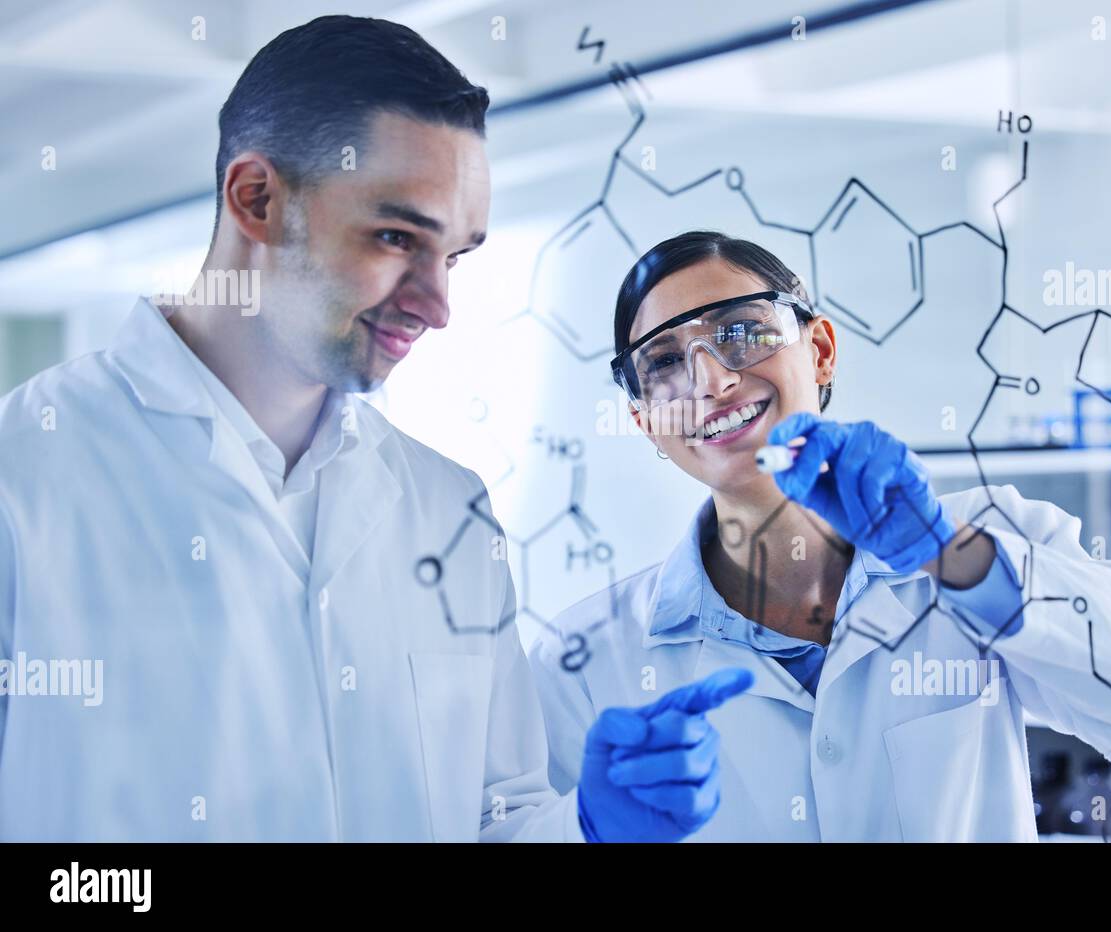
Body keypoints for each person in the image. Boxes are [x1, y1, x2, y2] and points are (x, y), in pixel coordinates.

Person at [0, 16, 750, 843]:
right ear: (256, 199)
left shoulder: (449, 510)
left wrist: (588, 824)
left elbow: (495, 817)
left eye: (456, 255)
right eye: (397, 237)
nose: (437, 306)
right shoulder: (26, 472)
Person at [528, 230, 1111, 842]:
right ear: (646, 422)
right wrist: (587, 826)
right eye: (662, 363)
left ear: (819, 351)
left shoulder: (985, 542)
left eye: (740, 331)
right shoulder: (584, 657)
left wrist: (955, 560)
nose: (711, 380)